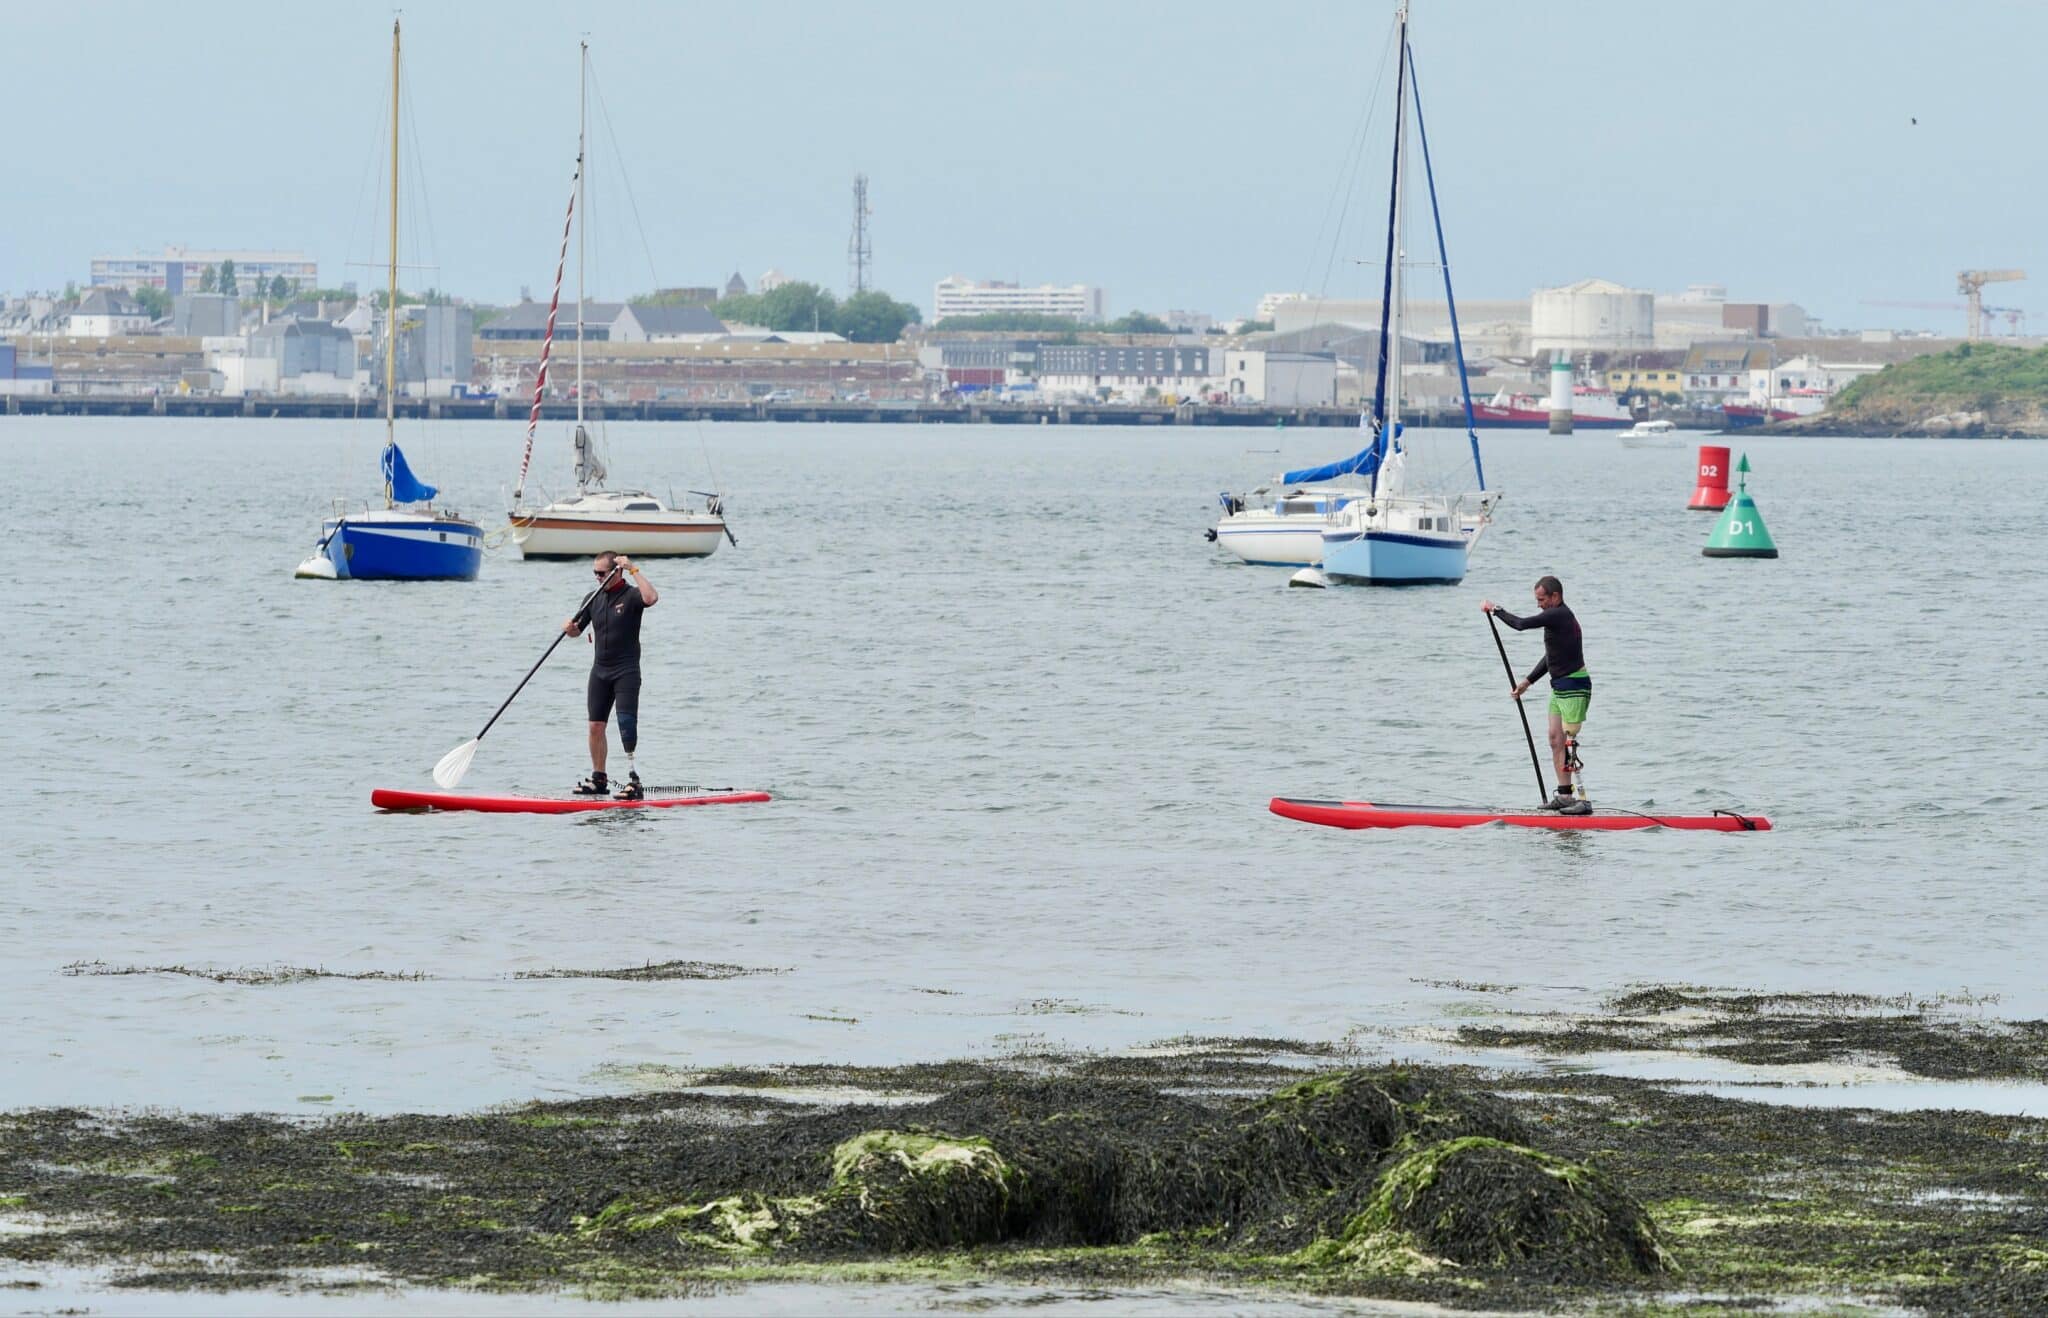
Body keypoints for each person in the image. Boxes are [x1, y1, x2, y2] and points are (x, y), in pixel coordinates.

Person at [1481, 576, 1591, 814]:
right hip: (1559, 687)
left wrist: (1495, 609)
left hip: (1574, 686)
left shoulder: (1559, 614)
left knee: (1569, 740)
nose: (1539, 605)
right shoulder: (1555, 621)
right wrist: (1527, 683)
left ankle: (1584, 799)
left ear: (1555, 597)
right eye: (1537, 600)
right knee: (1554, 739)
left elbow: (1520, 624)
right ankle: (1564, 796)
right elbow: (1551, 657)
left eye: (1542, 600)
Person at [563, 551, 658, 799]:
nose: (597, 577)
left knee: (626, 725)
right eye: (594, 572)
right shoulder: (592, 598)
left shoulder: (631, 595)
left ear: (616, 571)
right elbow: (577, 631)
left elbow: (652, 597)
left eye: (601, 573)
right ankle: (599, 779)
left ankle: (634, 780)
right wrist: (570, 629)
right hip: (600, 671)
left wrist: (633, 569)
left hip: (626, 671)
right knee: (595, 725)